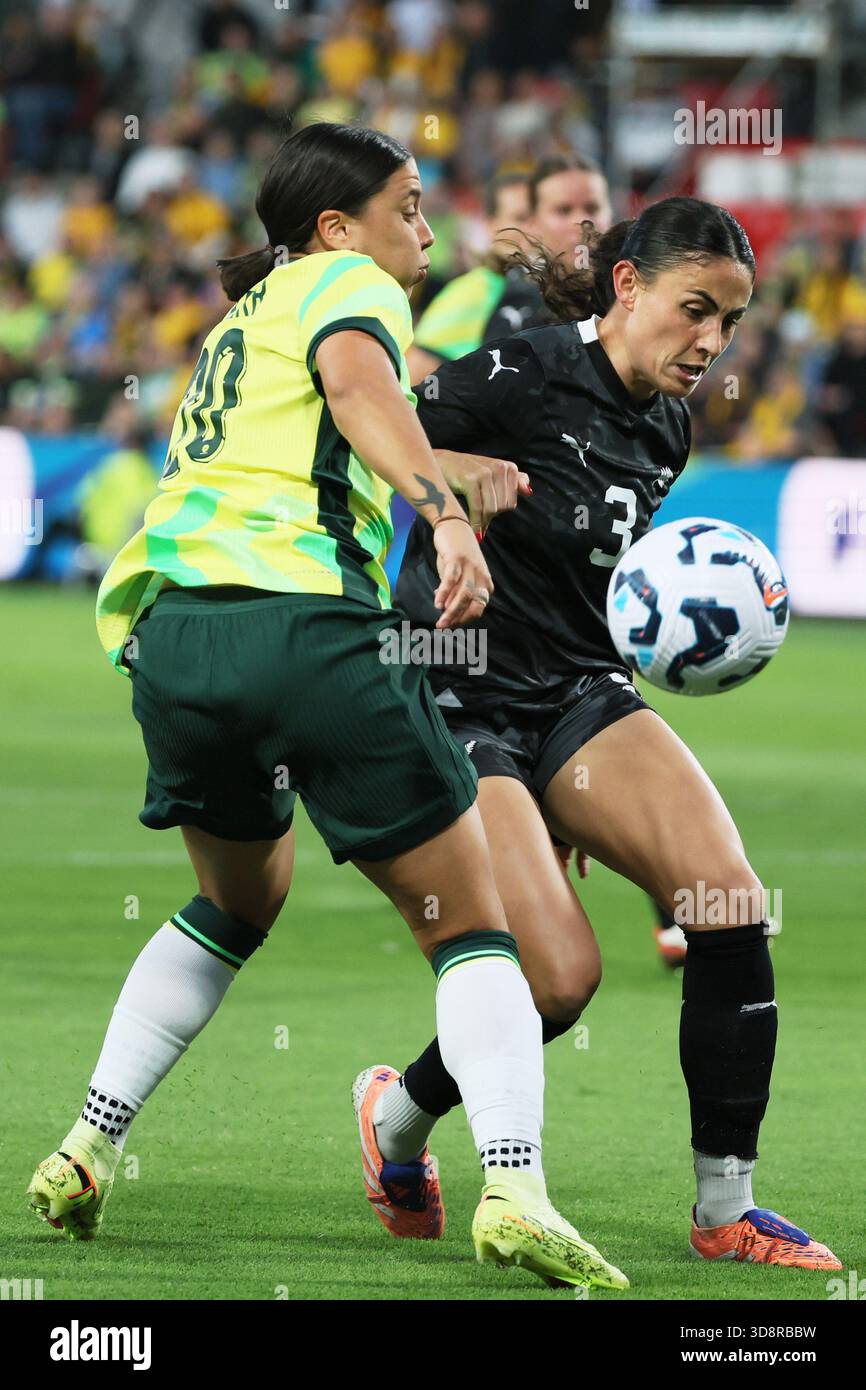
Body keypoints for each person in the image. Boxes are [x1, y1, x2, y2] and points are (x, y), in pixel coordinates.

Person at [25, 122, 628, 1293]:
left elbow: (316, 436)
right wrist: (447, 517)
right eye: (407, 204)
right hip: (305, 624)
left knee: (235, 898)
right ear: (336, 225)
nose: (425, 226)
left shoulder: (236, 324)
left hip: (176, 638)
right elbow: (357, 388)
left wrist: (447, 474)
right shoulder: (347, 283)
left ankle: (89, 1141)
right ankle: (514, 1184)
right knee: (472, 921)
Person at [354, 196, 841, 1272]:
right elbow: (357, 419)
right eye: (692, 310)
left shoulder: (667, 423)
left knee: (729, 908)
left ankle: (725, 1209)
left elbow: (584, 586)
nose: (709, 343)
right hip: (453, 685)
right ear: (628, 288)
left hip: (577, 687)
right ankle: (395, 1119)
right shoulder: (518, 374)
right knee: (557, 981)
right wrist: (446, 478)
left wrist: (576, 784)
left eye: (730, 321)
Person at [405, 169, 531, 383]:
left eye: (537, 215)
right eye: (521, 218)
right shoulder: (474, 291)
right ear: (491, 225)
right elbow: (415, 374)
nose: (532, 228)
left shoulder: (545, 291)